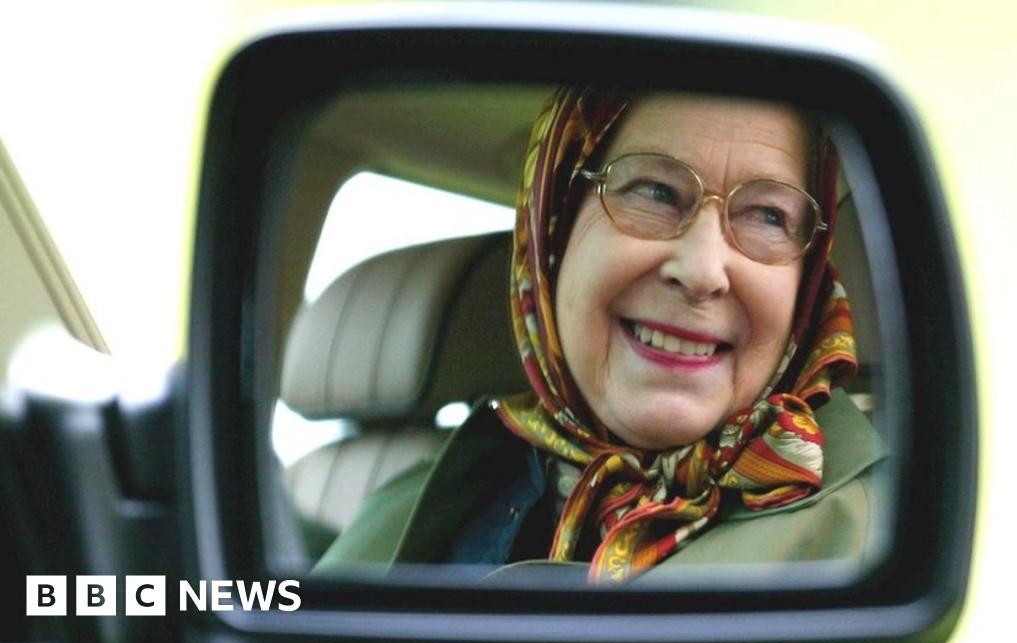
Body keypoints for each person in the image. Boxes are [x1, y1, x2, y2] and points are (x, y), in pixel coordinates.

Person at [317, 86, 884, 584]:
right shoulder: (423, 497)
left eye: (767, 216)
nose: (704, 270)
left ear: (807, 280)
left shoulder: (877, 539)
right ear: (553, 234)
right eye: (656, 192)